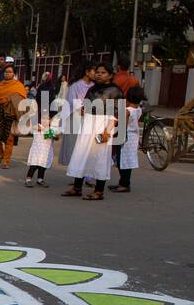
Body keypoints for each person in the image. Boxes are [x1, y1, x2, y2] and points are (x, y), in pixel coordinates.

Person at [63, 63, 120, 201]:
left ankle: (99, 191)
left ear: (110, 75)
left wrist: (108, 131)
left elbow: (117, 113)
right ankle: (77, 188)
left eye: (103, 72)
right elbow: (86, 106)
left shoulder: (115, 91)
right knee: (81, 154)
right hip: (88, 124)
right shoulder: (92, 90)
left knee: (100, 157)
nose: (99, 74)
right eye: (98, 72)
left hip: (103, 126)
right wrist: (83, 110)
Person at [0, 64, 28, 169]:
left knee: (9, 138)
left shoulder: (18, 85)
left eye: (9, 72)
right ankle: (2, 155)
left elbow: (23, 100)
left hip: (11, 112)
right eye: (5, 72)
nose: (7, 73)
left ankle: (6, 161)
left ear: (14, 73)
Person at [59, 62, 94, 168]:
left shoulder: (94, 86)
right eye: (95, 71)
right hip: (76, 119)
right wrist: (82, 108)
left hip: (90, 119)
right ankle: (76, 173)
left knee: (88, 148)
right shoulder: (75, 85)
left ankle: (87, 175)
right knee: (75, 147)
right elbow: (71, 101)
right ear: (87, 72)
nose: (97, 74)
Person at [112, 85, 143, 193]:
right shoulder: (138, 109)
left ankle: (125, 184)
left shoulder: (127, 111)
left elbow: (122, 126)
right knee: (127, 161)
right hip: (133, 137)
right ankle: (122, 182)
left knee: (122, 162)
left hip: (125, 138)